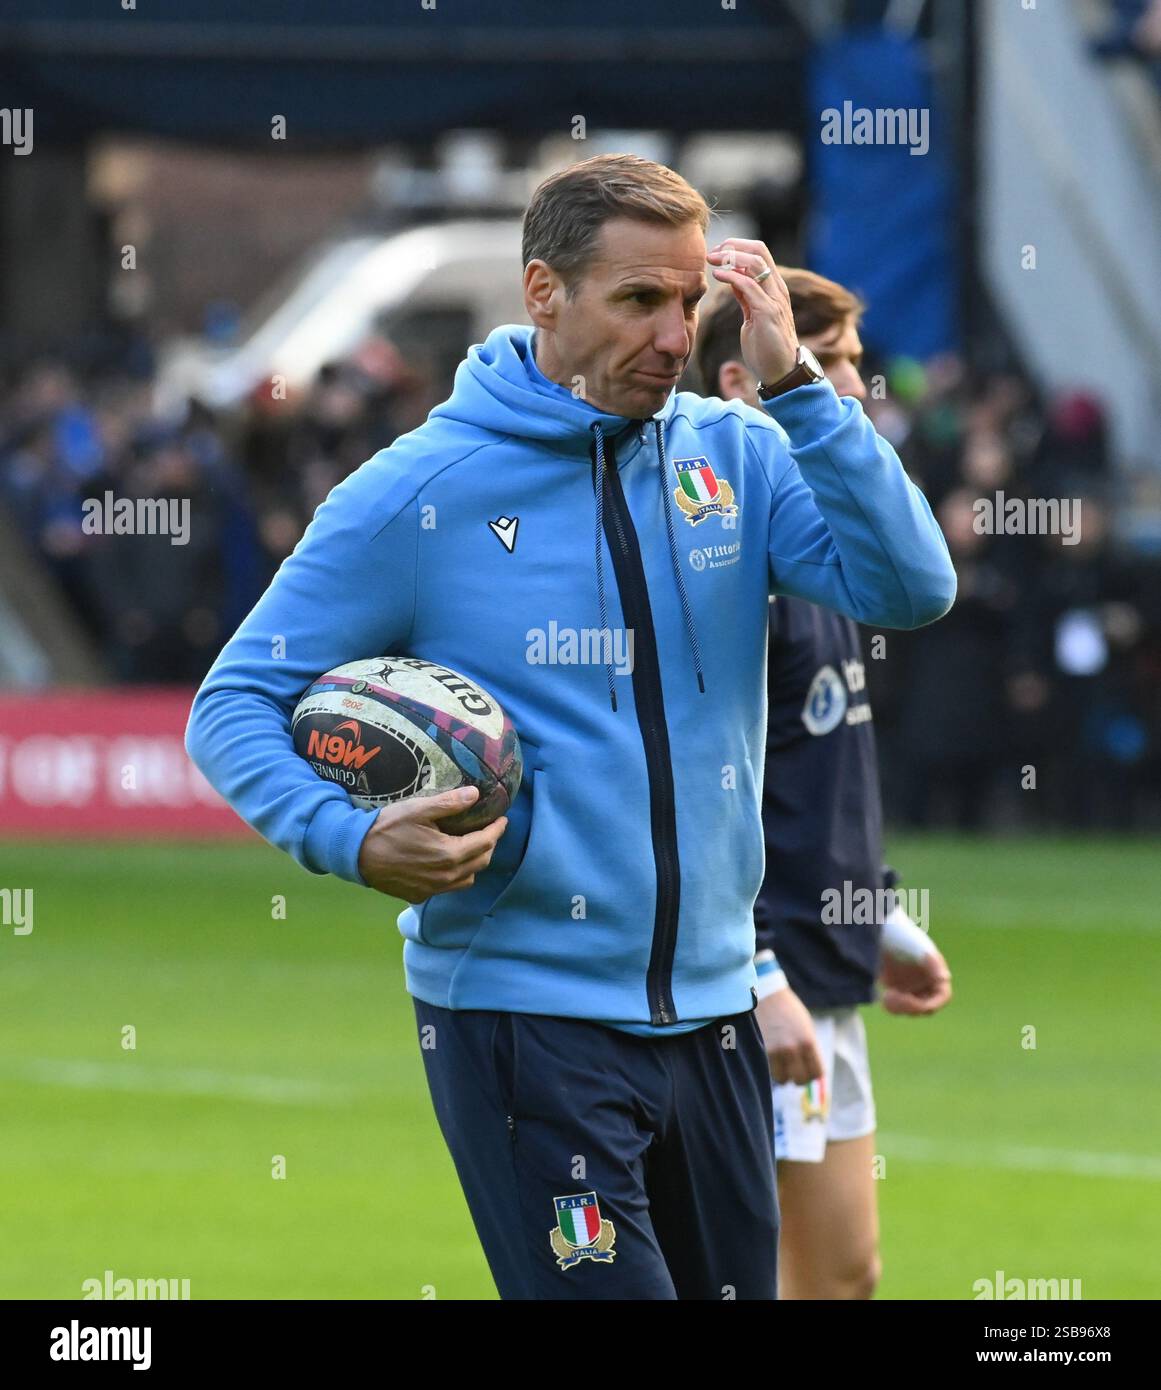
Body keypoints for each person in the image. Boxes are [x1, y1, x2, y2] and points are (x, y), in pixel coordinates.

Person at [185, 154, 956, 1301]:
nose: (672, 330)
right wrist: (346, 839)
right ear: (543, 292)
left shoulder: (738, 455)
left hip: (719, 1016)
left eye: (688, 301)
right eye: (638, 298)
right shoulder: (418, 491)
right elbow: (233, 703)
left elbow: (910, 585)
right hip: (523, 1023)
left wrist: (805, 394)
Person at [694, 269, 953, 1299]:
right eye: (827, 359)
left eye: (846, 360)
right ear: (739, 377)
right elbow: (704, 790)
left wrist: (878, 916)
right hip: (754, 987)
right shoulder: (728, 566)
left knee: (845, 1277)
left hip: (828, 974)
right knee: (746, 1279)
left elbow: (817, 773)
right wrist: (757, 971)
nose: (852, 384)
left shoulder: (830, 548)